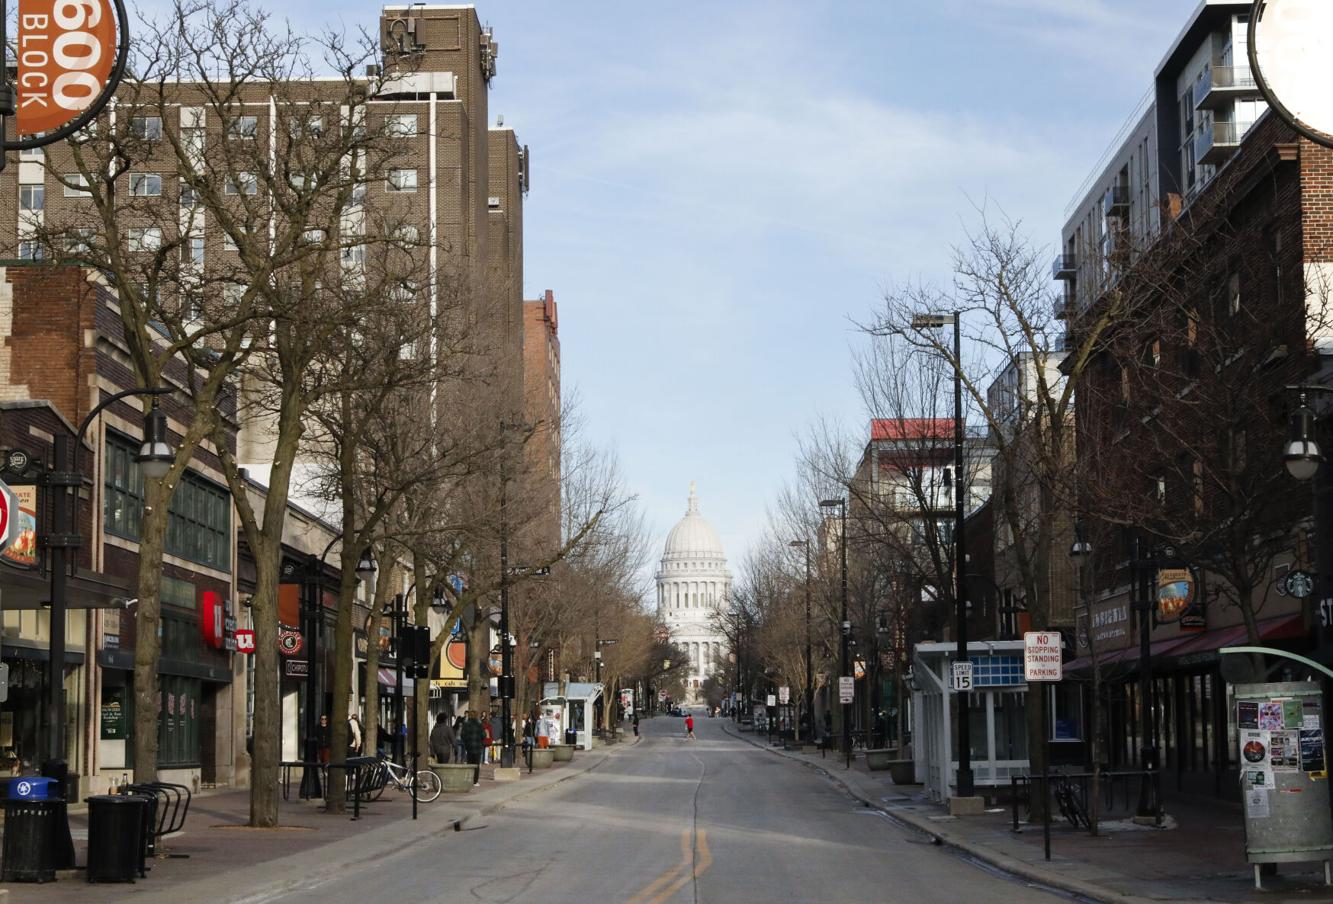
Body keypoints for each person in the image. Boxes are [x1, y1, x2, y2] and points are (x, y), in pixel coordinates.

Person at [461, 710, 486, 786]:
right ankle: (475, 781)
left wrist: (466, 742)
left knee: (469, 764)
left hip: (469, 747)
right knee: (476, 765)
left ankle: (469, 779)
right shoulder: (479, 725)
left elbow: (462, 735)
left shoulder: (466, 724)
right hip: (478, 747)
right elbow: (483, 735)